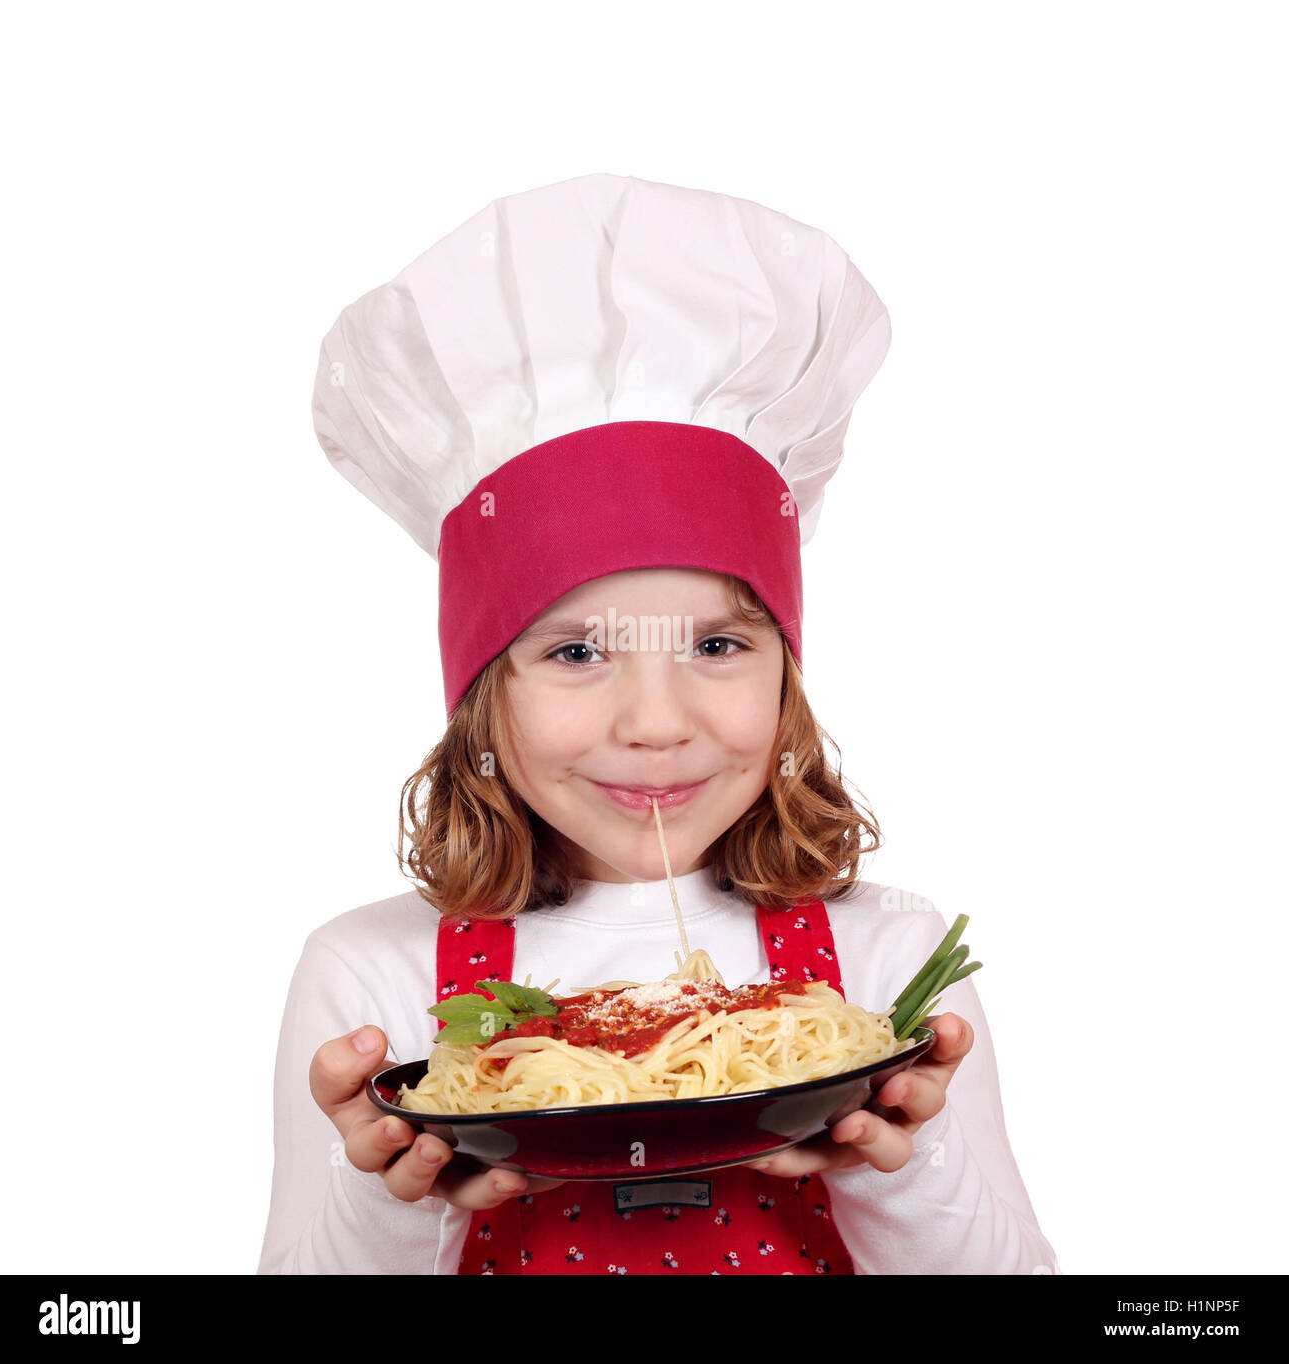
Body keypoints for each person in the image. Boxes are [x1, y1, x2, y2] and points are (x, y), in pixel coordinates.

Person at [258, 172, 1059, 1275]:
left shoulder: (882, 958)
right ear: (481, 693)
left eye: (718, 646)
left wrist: (898, 1157)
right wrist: (397, 1190)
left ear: (787, 680)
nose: (653, 721)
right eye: (577, 651)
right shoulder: (373, 973)